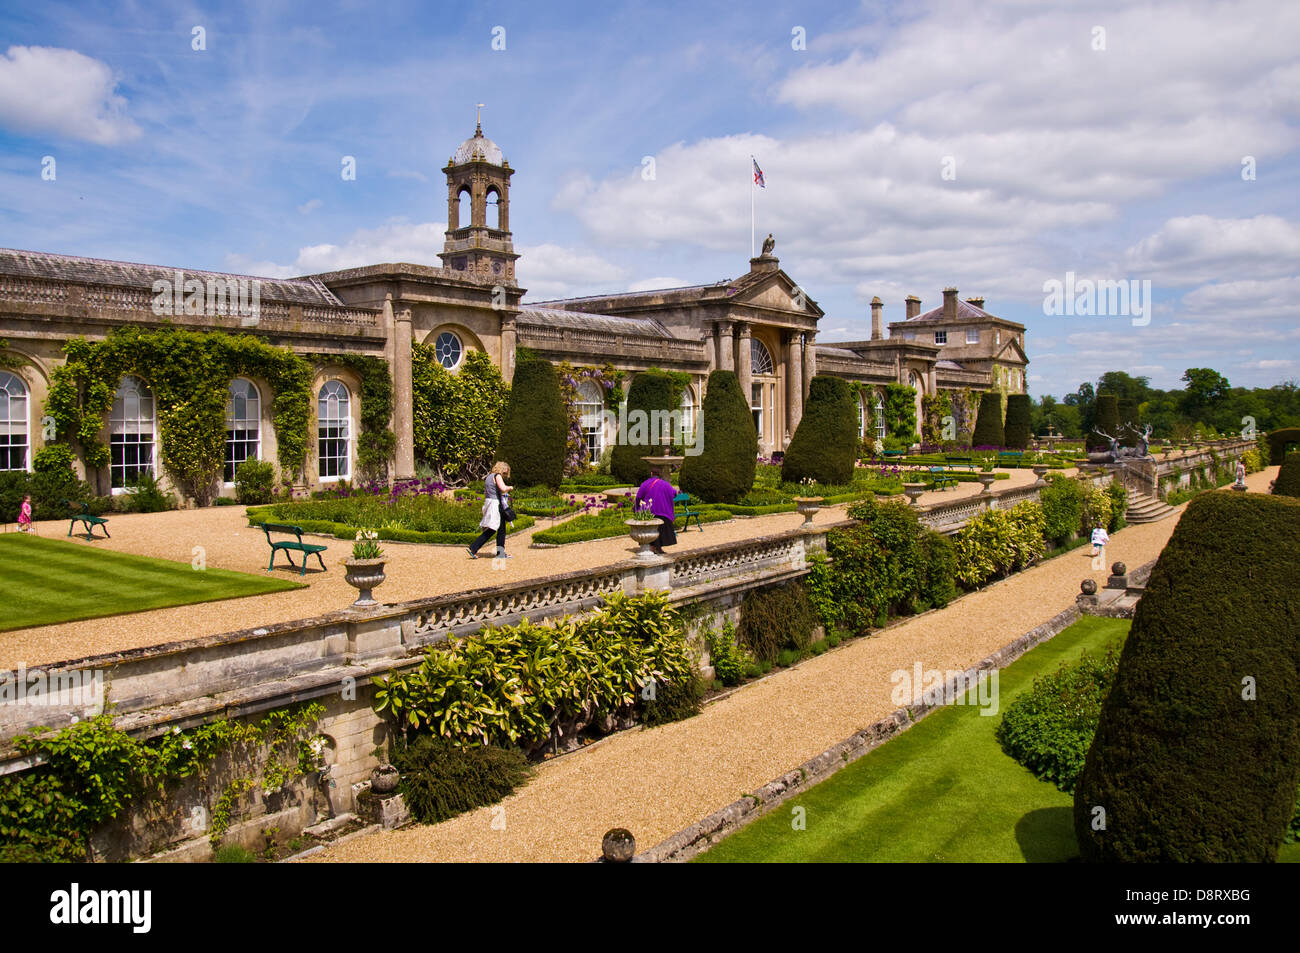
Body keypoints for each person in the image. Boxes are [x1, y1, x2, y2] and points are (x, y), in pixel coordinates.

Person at [468, 461, 513, 559]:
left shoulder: (488, 477)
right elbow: (503, 488)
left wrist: (501, 494)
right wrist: (510, 488)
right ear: (502, 469)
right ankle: (474, 547)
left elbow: (487, 492)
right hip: (495, 505)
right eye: (505, 472)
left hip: (490, 503)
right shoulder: (497, 476)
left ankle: (500, 553)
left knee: (501, 528)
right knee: (494, 529)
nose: (505, 474)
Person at [634, 465, 677, 554]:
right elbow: (674, 493)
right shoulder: (666, 484)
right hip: (664, 511)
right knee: (661, 530)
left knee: (651, 530)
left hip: (649, 511)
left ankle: (652, 547)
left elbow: (638, 497)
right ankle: (658, 548)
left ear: (651, 474)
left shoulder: (645, 483)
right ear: (659, 474)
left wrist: (636, 508)